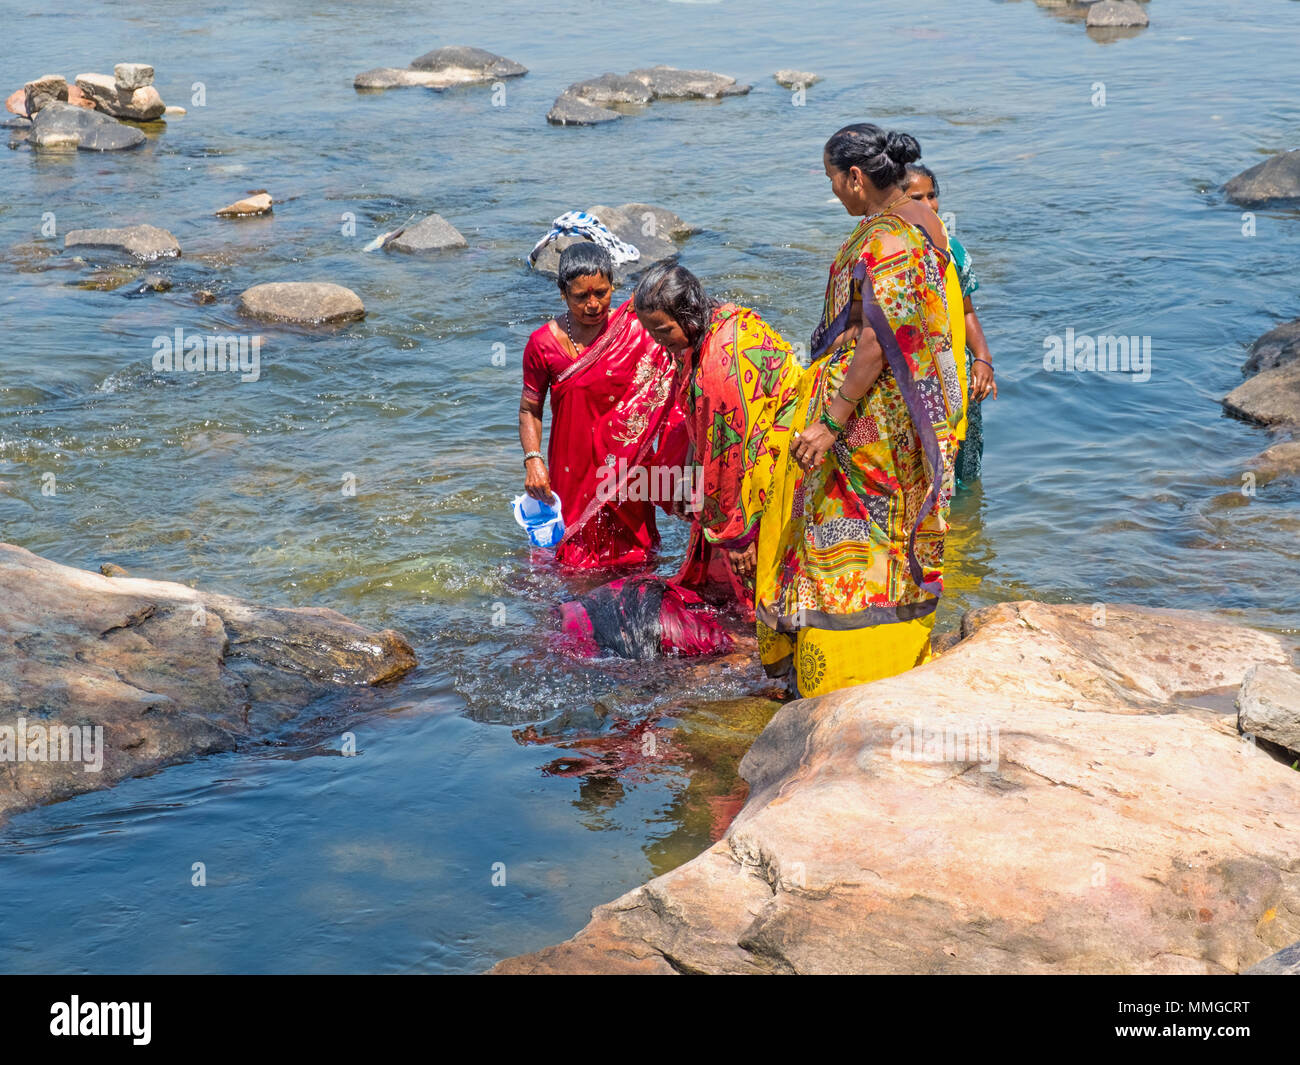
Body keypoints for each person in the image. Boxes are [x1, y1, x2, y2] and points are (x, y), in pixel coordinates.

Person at [754, 123, 963, 697]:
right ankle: (889, 660)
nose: (833, 194)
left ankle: (847, 674)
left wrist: (832, 418)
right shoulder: (921, 222)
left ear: (855, 177)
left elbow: (877, 338)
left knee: (847, 540)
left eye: (832, 180)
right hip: (893, 412)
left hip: (869, 421)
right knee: (885, 537)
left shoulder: (888, 240)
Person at [632, 262, 802, 619]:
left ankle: (762, 644)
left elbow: (728, 462)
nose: (657, 342)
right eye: (650, 332)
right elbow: (703, 425)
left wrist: (735, 539)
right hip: (750, 455)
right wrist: (690, 476)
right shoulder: (715, 322)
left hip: (775, 465)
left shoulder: (718, 365)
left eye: (663, 330)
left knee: (757, 579)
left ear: (690, 316)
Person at [519, 243, 682, 568]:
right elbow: (529, 410)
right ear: (562, 292)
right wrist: (533, 461)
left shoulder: (636, 329)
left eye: (603, 293)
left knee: (636, 558)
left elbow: (675, 369)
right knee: (573, 561)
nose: (593, 305)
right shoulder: (543, 344)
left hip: (626, 467)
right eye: (581, 297)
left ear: (613, 285)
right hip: (573, 468)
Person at [904, 162, 996, 484]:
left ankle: (969, 532)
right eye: (917, 197)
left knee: (964, 480)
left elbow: (966, 311)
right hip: (912, 381)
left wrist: (983, 359)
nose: (929, 205)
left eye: (932, 195)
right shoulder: (886, 254)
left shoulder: (951, 250)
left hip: (956, 376)